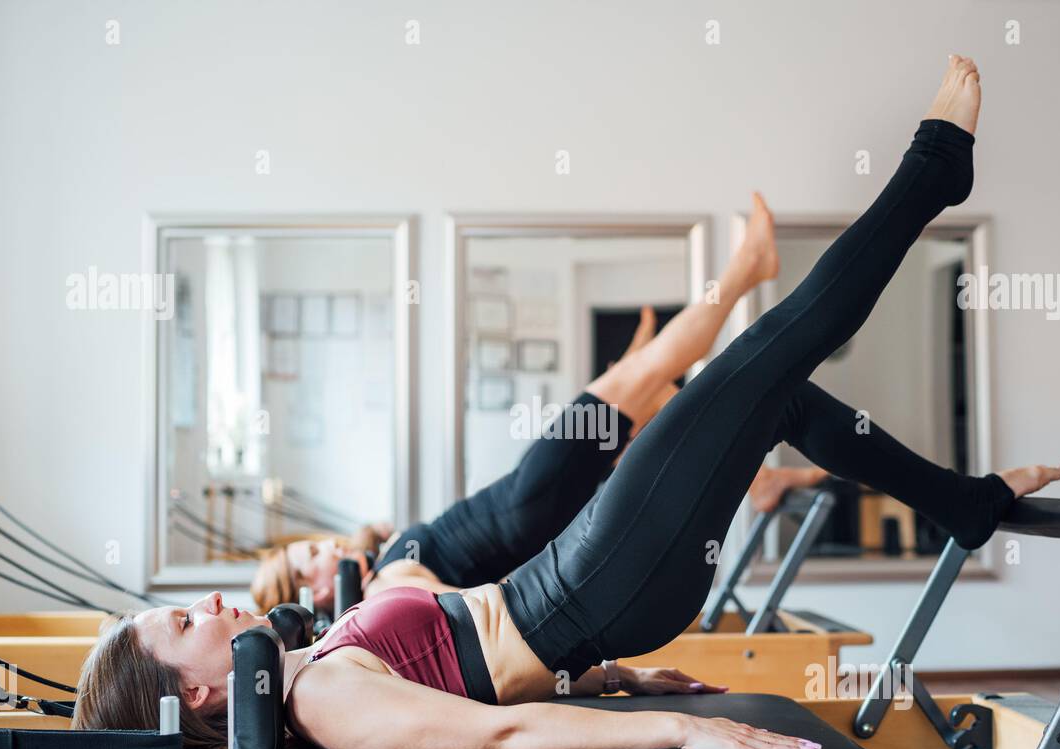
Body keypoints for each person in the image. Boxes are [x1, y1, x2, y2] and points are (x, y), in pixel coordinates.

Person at [77, 56, 1060, 749]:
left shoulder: (308, 667)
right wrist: (678, 727)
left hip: (592, 590)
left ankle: (957, 503)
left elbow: (488, 678)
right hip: (596, 580)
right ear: (195, 692)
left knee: (775, 390)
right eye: (181, 621)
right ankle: (934, 171)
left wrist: (613, 683)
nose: (207, 604)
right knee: (769, 350)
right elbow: (502, 732)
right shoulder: (325, 696)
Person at [251, 207, 814, 612]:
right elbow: (463, 608)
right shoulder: (383, 588)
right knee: (645, 377)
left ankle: (757, 477)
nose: (322, 549)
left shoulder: (379, 566)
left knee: (640, 401)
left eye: (307, 547)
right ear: (313, 594)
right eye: (308, 564)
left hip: (529, 501)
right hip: (528, 497)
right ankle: (747, 268)